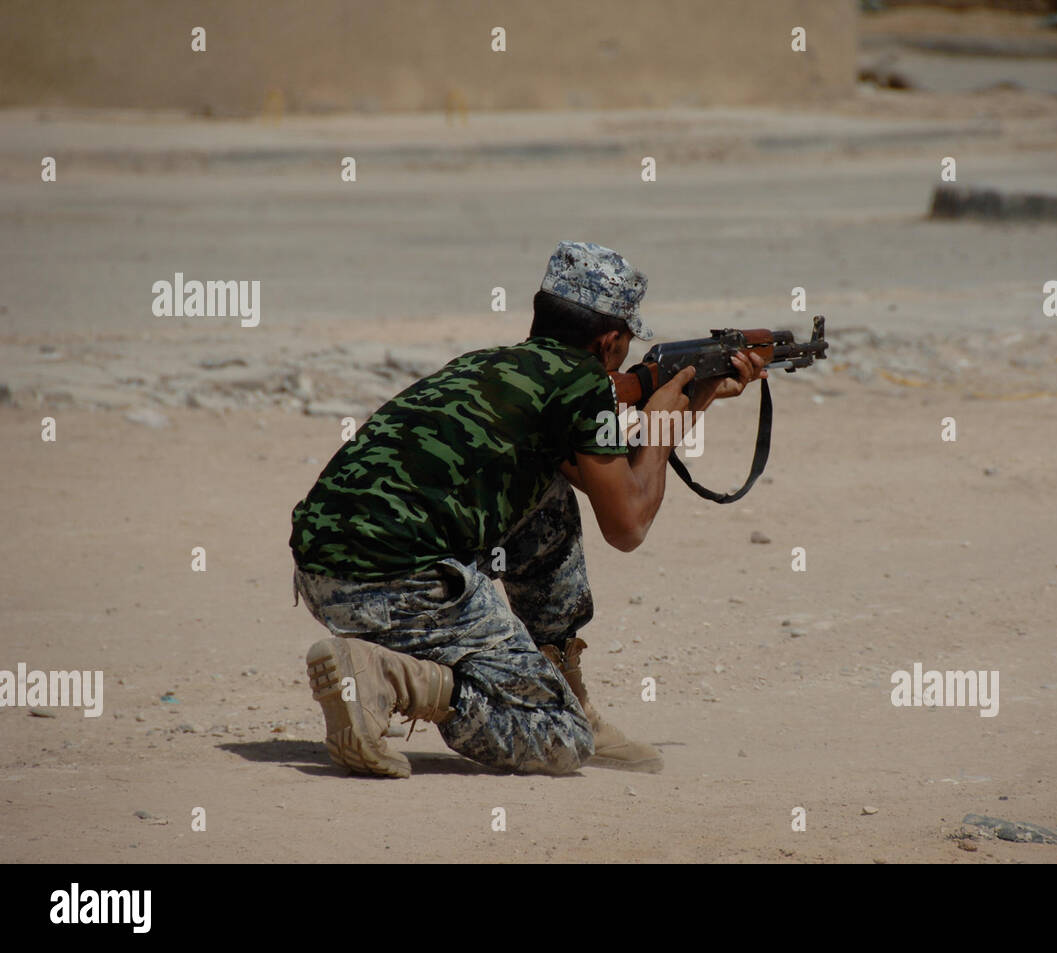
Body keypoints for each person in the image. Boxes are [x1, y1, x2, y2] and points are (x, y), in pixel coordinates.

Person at [288, 241, 766, 777]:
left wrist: (691, 399)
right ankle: (390, 678)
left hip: (321, 570)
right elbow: (627, 525)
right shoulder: (584, 388)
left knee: (547, 502)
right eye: (627, 345)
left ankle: (562, 683)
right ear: (610, 341)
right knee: (560, 741)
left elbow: (603, 484)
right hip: (398, 587)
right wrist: (661, 422)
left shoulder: (485, 366)